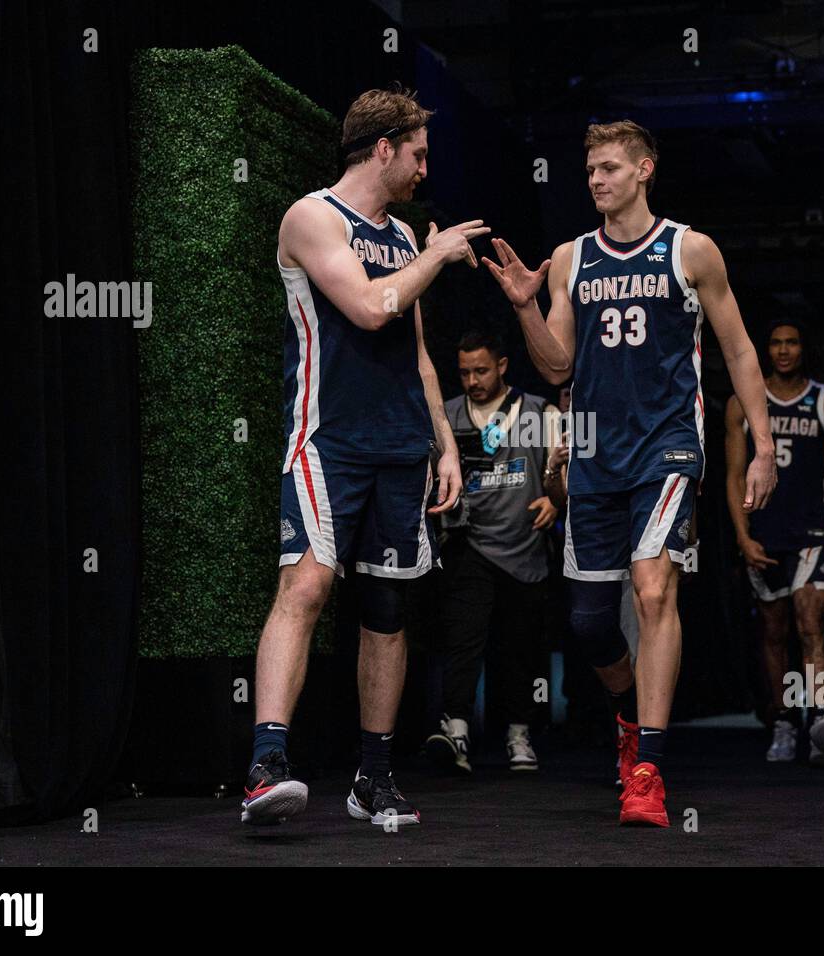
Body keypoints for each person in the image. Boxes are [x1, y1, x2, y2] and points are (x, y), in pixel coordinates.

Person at [484, 120, 777, 826]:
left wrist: (762, 446)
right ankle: (625, 718)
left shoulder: (691, 249)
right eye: (590, 171)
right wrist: (524, 306)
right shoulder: (569, 259)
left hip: (668, 449)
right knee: (588, 625)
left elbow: (737, 351)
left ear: (645, 170)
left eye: (610, 168)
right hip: (593, 457)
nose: (596, 180)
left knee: (652, 591)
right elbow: (557, 365)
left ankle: (648, 768)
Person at [241, 87, 490, 828]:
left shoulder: (407, 238)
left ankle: (373, 778)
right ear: (383, 148)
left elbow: (414, 351)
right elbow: (368, 307)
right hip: (327, 442)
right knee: (308, 586)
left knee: (387, 611)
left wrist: (445, 444)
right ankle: (266, 765)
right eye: (416, 154)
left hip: (401, 450)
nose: (422, 170)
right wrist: (439, 253)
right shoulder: (311, 216)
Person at [425, 330, 561, 773]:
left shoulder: (540, 411)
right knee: (464, 640)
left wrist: (558, 500)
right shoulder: (445, 414)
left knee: (519, 647)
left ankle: (519, 733)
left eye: (481, 370)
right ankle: (457, 730)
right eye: (463, 372)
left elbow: (574, 467)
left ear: (502, 366)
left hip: (524, 548)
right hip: (469, 544)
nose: (472, 380)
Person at [725, 320, 824, 766]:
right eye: (776, 342)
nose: (784, 350)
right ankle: (784, 722)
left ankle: (819, 720)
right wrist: (742, 537)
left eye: (792, 342)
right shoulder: (743, 403)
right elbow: (732, 475)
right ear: (766, 350)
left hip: (812, 535)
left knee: (809, 625)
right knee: (774, 633)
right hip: (764, 535)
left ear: (804, 348)